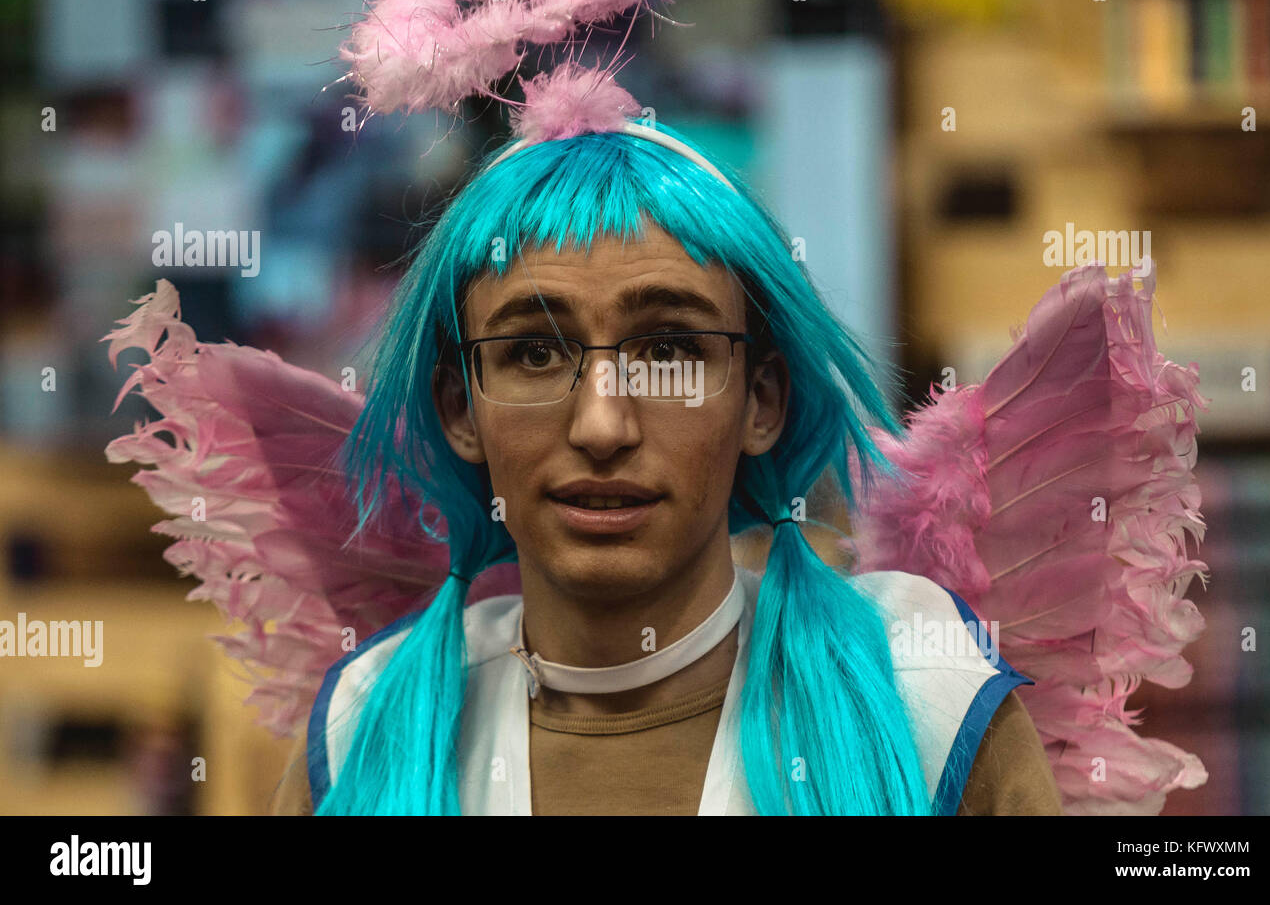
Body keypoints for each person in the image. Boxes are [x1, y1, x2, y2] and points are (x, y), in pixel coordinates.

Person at [269, 122, 1063, 815]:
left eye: (669, 350)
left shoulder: (923, 708)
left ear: (761, 399)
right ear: (458, 407)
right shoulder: (361, 736)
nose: (602, 424)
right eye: (535, 353)